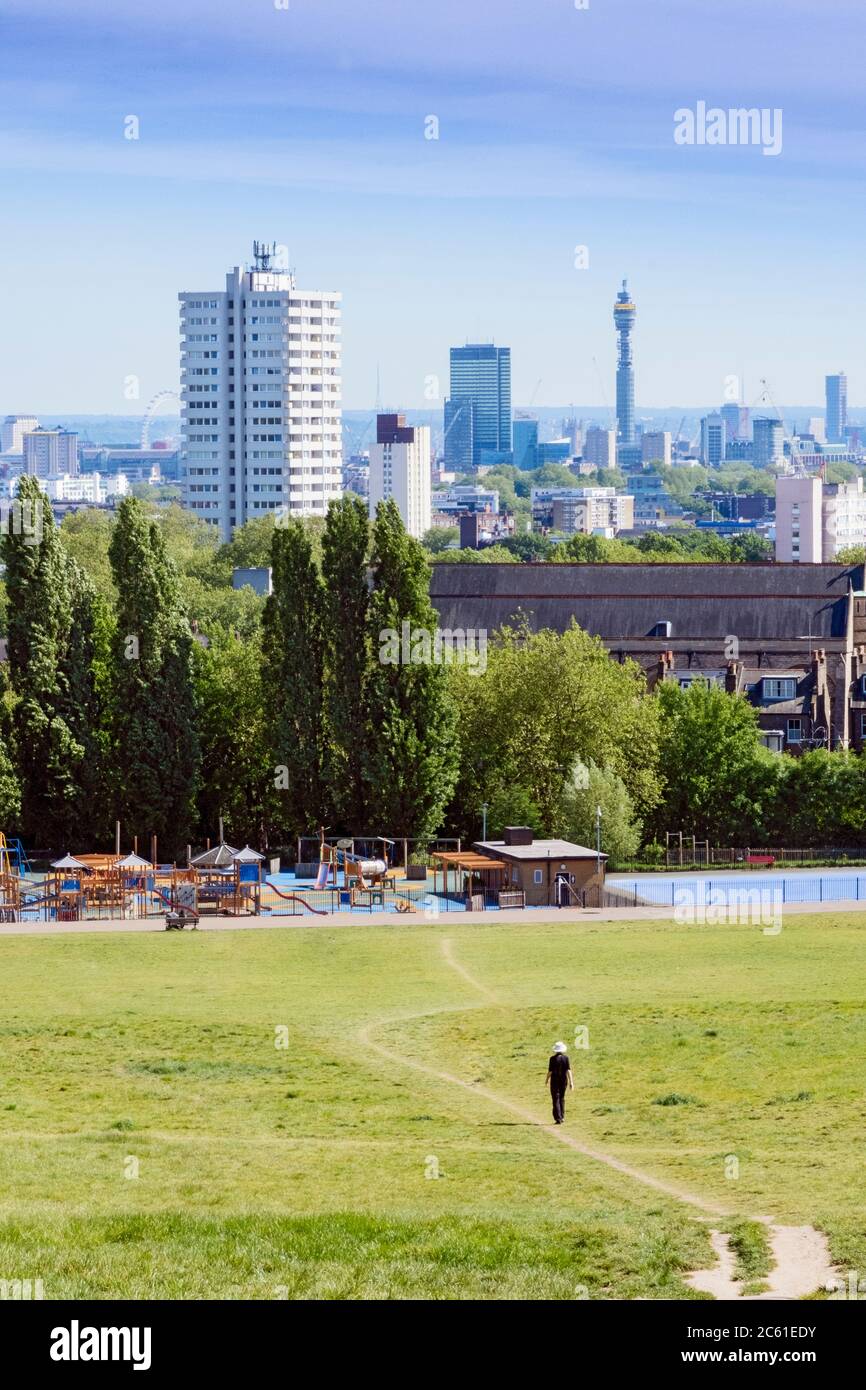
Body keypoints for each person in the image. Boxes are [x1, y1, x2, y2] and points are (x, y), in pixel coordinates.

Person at [546, 1041, 574, 1124]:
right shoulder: (566, 1058)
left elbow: (550, 1071)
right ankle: (562, 1116)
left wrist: (547, 1079)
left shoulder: (552, 1059)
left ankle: (558, 1118)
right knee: (562, 1098)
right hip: (563, 1081)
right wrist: (571, 1082)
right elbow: (568, 1070)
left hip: (554, 1081)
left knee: (555, 1099)